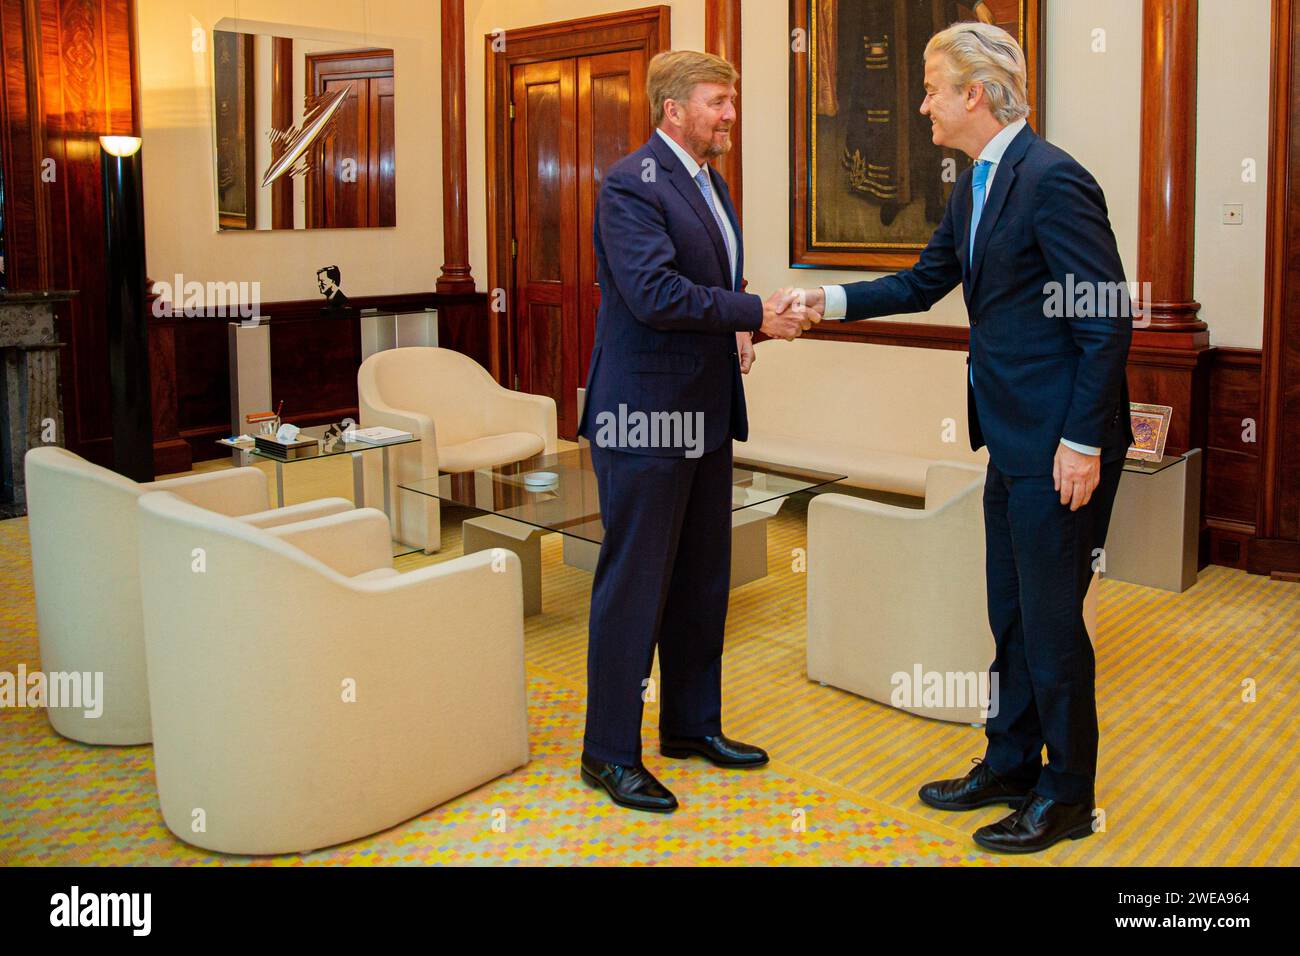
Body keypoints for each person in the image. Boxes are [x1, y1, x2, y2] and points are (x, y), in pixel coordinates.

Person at [785, 21, 1134, 853]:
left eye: (933, 86)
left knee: (1053, 626)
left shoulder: (1052, 178)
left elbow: (1105, 316)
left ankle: (1069, 794)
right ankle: (1009, 761)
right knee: (1010, 614)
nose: (922, 103)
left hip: (1059, 448)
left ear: (975, 94)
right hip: (1008, 439)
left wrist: (1082, 442)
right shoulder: (977, 181)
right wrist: (821, 305)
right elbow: (924, 280)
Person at [577, 49, 813, 813]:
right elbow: (651, 293)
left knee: (701, 580)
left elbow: (708, 287)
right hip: (644, 415)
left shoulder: (710, 183)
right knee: (634, 587)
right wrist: (749, 314)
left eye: (730, 102)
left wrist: (748, 324)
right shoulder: (627, 185)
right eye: (719, 102)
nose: (730, 116)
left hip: (706, 412)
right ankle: (608, 753)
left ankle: (689, 726)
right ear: (674, 109)